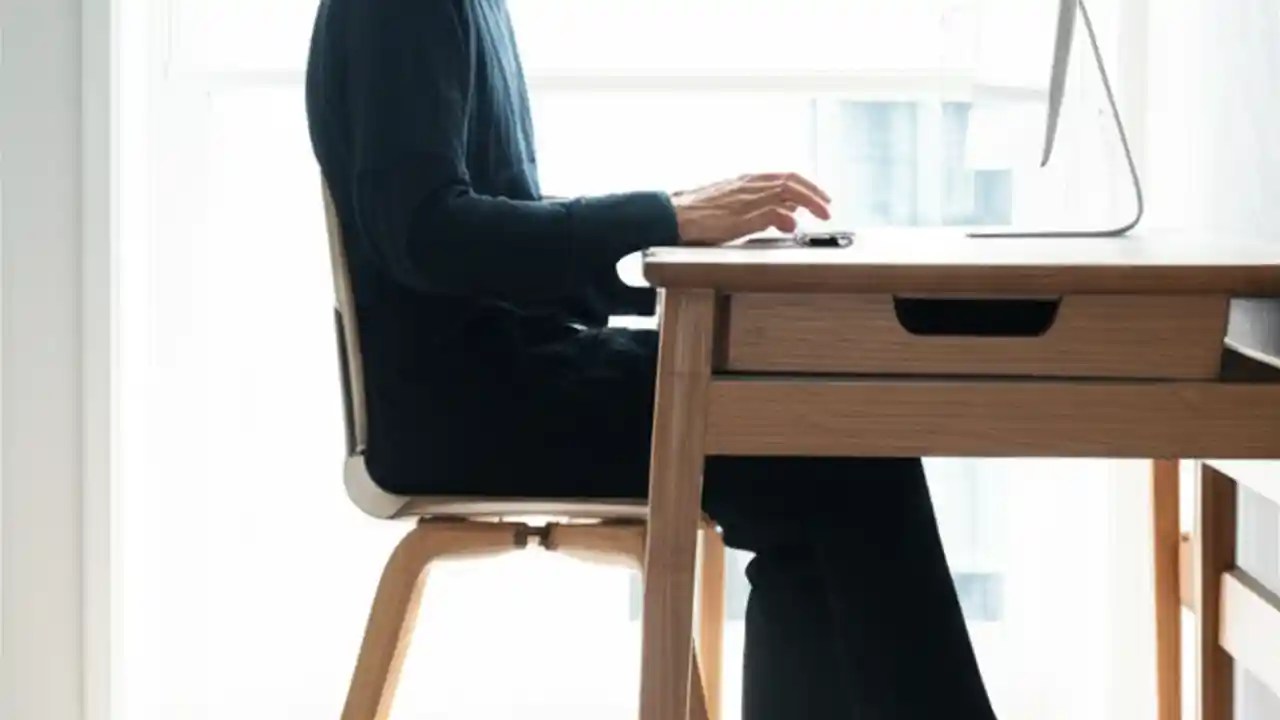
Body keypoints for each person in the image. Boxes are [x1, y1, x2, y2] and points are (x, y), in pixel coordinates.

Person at [306, 0, 1000, 717]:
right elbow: (426, 233)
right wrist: (660, 218)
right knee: (837, 438)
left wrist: (669, 215)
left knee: (826, 445)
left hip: (502, 377)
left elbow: (465, 226)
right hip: (467, 408)